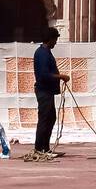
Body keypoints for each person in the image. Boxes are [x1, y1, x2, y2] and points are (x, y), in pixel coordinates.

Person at [30, 26, 68, 160]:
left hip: (48, 91)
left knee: (50, 118)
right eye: (55, 39)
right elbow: (44, 75)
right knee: (45, 119)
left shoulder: (45, 52)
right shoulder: (42, 53)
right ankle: (39, 148)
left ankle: (45, 147)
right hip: (43, 91)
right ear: (50, 39)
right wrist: (60, 76)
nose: (56, 42)